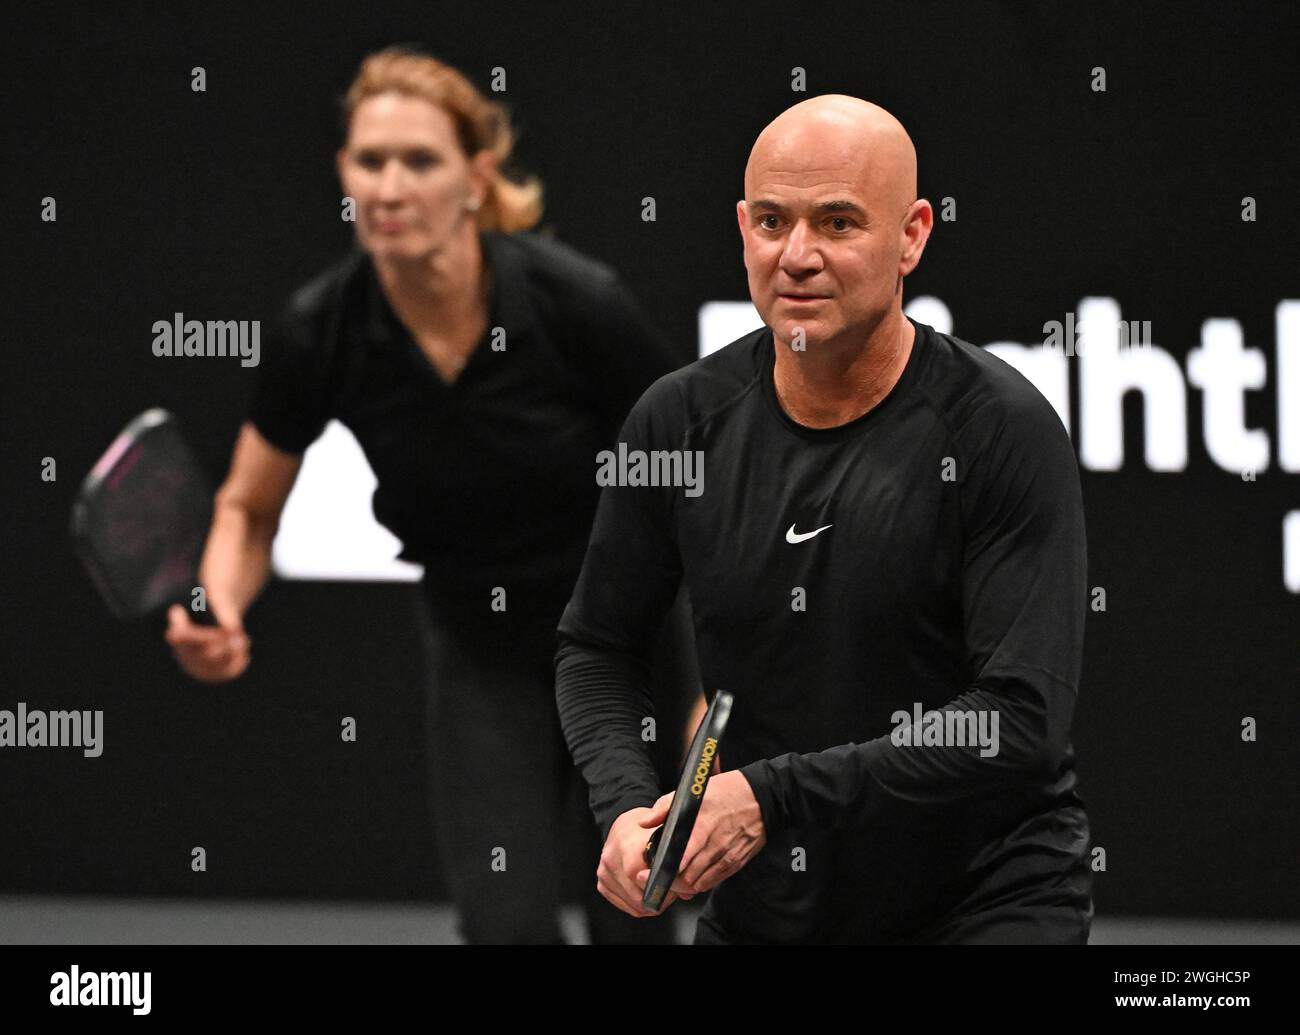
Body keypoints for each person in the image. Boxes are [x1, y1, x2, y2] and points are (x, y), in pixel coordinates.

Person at [164, 46, 686, 945]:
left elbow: (695, 476)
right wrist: (217, 602)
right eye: (370, 162)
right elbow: (247, 508)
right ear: (343, 175)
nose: (390, 186)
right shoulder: (317, 331)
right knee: (502, 923)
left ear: (477, 177)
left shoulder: (578, 305)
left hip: (619, 637)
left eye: (421, 160)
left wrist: (709, 664)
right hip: (478, 645)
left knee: (636, 918)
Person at [555, 94, 1094, 944]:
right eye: (771, 221)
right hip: (769, 908)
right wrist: (626, 806)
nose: (796, 255)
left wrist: (768, 795)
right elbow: (599, 645)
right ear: (742, 229)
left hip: (986, 901)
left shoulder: (1000, 429)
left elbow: (1016, 718)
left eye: (838, 223)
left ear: (912, 234)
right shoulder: (676, 422)